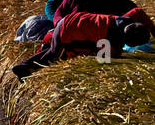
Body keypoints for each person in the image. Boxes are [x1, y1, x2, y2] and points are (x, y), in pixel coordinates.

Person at [13, 7, 152, 78]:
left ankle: (25, 67)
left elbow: (139, 12)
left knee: (51, 52)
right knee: (52, 57)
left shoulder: (123, 21)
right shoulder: (108, 40)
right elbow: (104, 61)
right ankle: (23, 68)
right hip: (67, 30)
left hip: (73, 20)